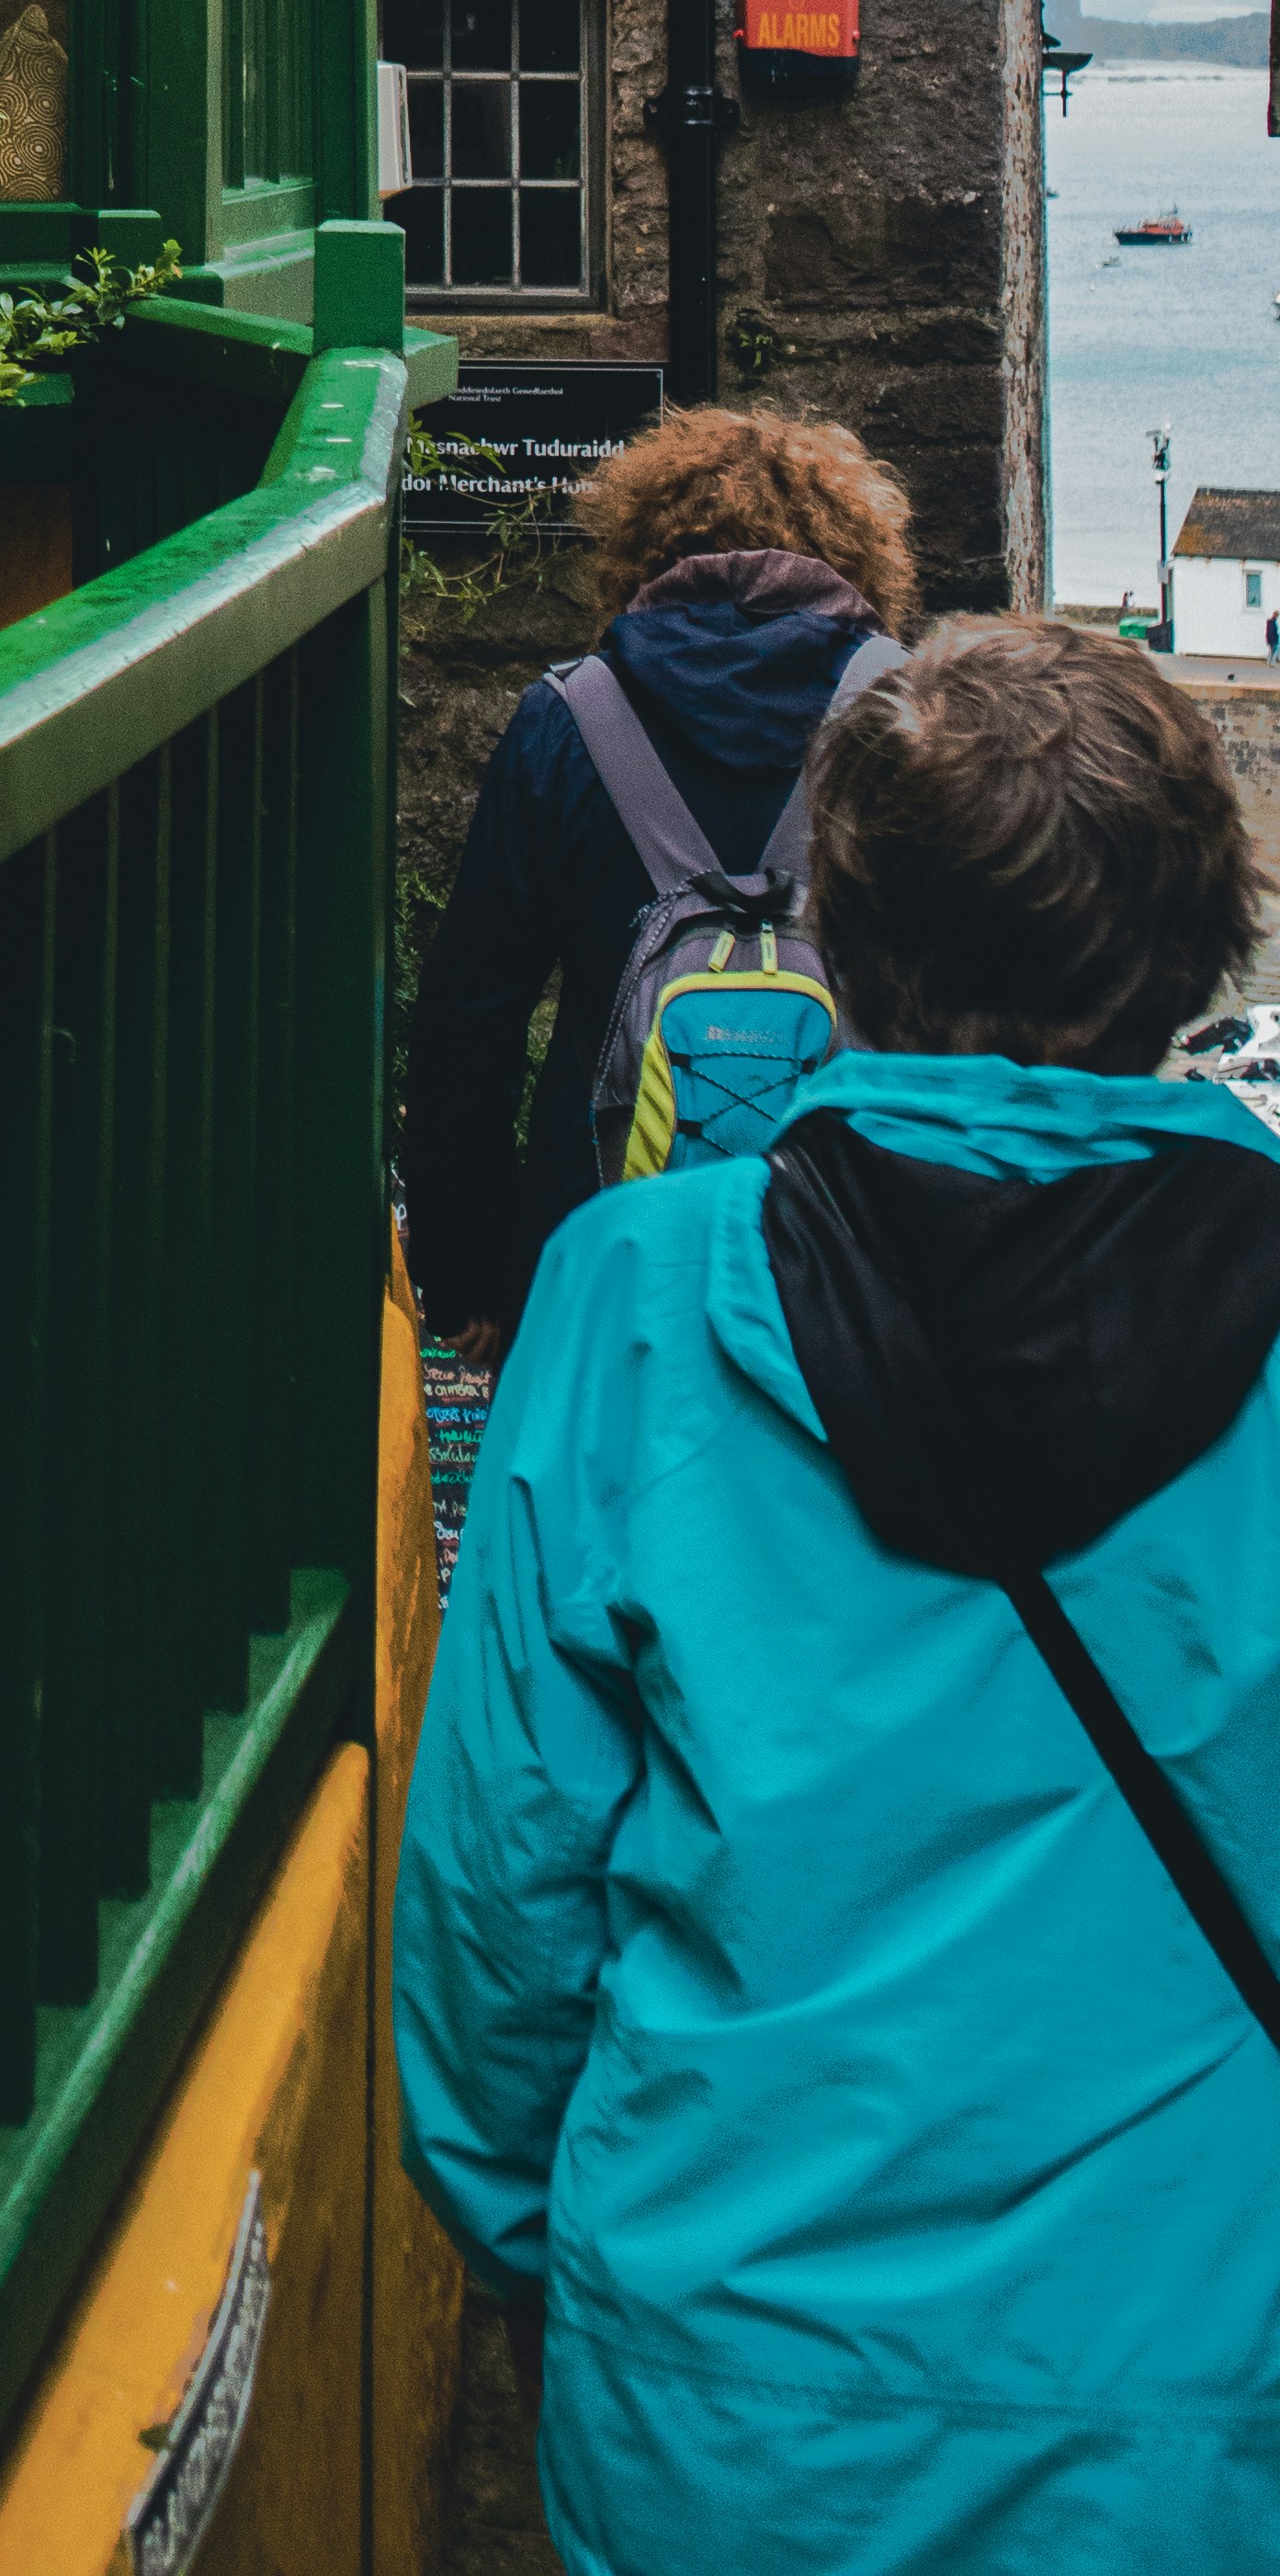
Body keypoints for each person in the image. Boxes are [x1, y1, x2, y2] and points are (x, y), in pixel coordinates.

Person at [395, 616, 1280, 2576]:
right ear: (1195, 943)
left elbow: (499, 1881)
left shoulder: (634, 1290)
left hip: (728, 2386)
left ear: (842, 943)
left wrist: (541, 2249)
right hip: (1207, 2389)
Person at [401, 404, 915, 1365]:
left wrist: (466, 1266)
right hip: (855, 1241)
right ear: (856, 552)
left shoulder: (564, 721)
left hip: (599, 1229)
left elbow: (472, 1014)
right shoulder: (909, 717)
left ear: (641, 549)